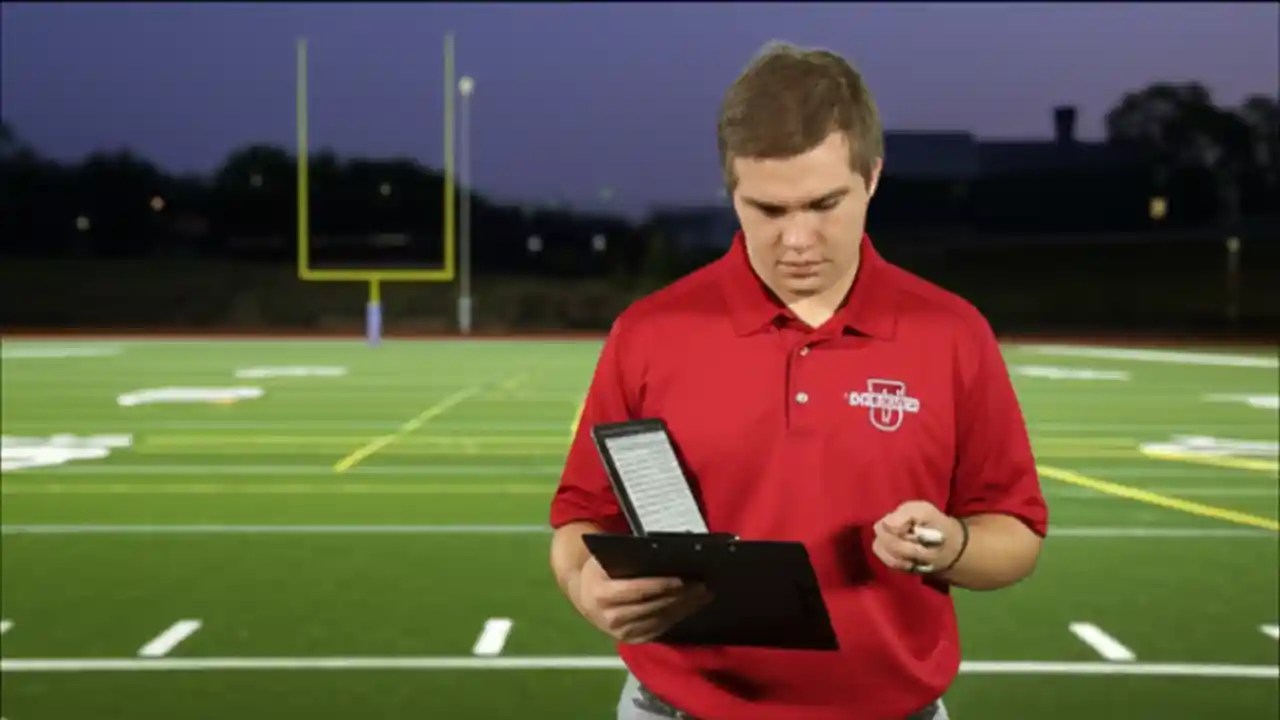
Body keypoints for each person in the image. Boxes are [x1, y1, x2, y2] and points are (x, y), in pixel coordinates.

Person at [548, 40, 1049, 720]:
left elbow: (1016, 535)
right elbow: (581, 518)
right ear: (732, 192)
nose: (798, 241)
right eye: (769, 210)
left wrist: (949, 546)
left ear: (873, 177)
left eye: (823, 204)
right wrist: (586, 587)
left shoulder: (952, 333)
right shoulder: (648, 332)